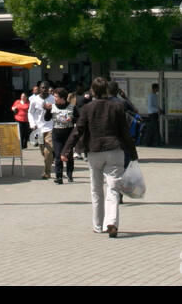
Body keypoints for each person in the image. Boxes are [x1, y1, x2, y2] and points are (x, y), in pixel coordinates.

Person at [61, 77, 137, 236]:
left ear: (92, 91)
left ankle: (97, 225)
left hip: (94, 151)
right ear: (107, 90)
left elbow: (78, 130)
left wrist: (66, 150)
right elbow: (125, 131)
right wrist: (133, 153)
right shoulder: (117, 106)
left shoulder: (87, 108)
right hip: (115, 150)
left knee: (96, 190)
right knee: (113, 188)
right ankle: (111, 222)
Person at [49, 88, 77, 184]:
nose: (54, 98)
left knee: (68, 155)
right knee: (58, 156)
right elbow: (47, 118)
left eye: (56, 96)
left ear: (62, 98)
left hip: (68, 134)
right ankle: (59, 176)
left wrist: (71, 119)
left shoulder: (71, 107)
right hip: (57, 134)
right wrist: (47, 110)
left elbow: (78, 118)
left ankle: (69, 174)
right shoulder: (52, 106)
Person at [29, 82, 55, 177]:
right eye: (42, 88)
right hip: (39, 129)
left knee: (48, 150)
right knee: (42, 150)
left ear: (48, 89)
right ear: (39, 89)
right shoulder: (34, 100)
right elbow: (30, 112)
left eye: (46, 88)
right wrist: (32, 124)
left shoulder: (53, 99)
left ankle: (47, 172)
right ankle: (50, 158)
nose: (44, 90)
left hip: (50, 127)